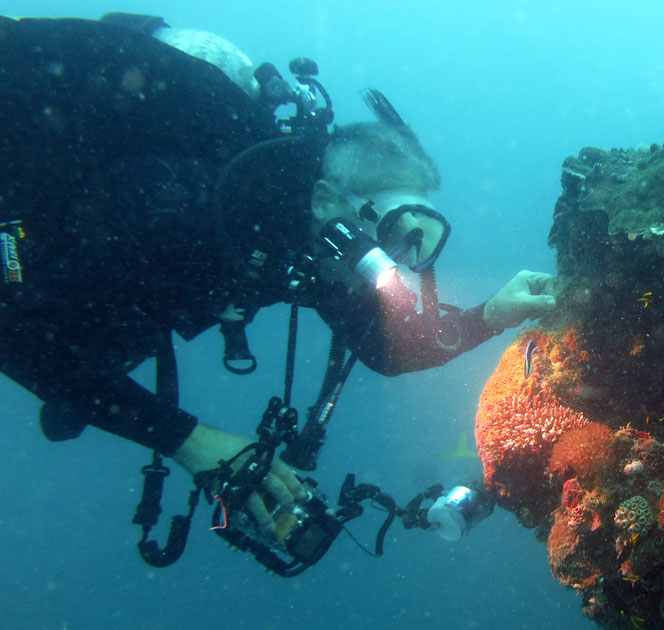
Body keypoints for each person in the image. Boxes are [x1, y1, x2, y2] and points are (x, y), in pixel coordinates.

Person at [0, 14, 554, 549]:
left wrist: (492, 314)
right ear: (326, 201)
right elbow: (16, 332)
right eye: (392, 229)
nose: (397, 258)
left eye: (419, 241)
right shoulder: (176, 205)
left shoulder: (312, 246)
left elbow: (388, 350)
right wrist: (189, 440)